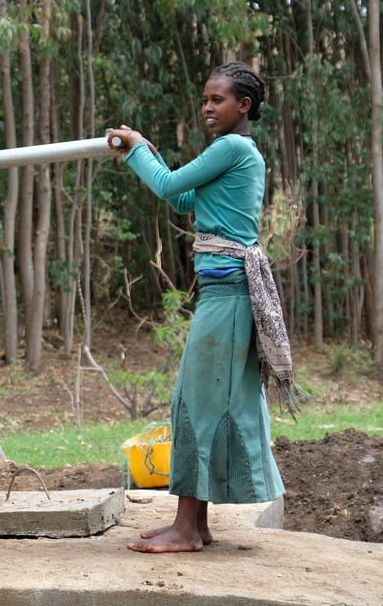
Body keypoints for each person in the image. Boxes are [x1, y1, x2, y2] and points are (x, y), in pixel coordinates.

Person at [108, 61, 295, 553]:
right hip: (223, 293)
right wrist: (146, 153)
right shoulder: (232, 152)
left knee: (195, 404)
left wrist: (138, 151)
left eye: (218, 100)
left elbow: (167, 186)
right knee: (198, 401)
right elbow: (184, 198)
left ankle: (186, 529)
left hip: (229, 297)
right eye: (206, 99)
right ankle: (197, 524)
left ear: (244, 106)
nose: (208, 107)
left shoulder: (232, 147)